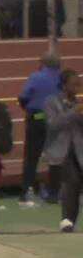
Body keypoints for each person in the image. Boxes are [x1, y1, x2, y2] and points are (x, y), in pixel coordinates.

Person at [18, 53, 62, 206]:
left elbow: (23, 97)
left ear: (43, 63)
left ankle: (26, 191)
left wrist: (28, 109)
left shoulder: (35, 77)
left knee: (31, 156)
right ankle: (54, 193)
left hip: (37, 118)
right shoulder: (62, 78)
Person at [45, 68, 83, 232]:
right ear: (64, 85)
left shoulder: (77, 103)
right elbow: (54, 124)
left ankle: (70, 222)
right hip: (61, 150)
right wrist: (75, 111)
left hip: (79, 150)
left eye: (79, 85)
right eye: (74, 85)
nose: (77, 88)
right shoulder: (51, 102)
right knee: (71, 182)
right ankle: (67, 220)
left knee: (75, 185)